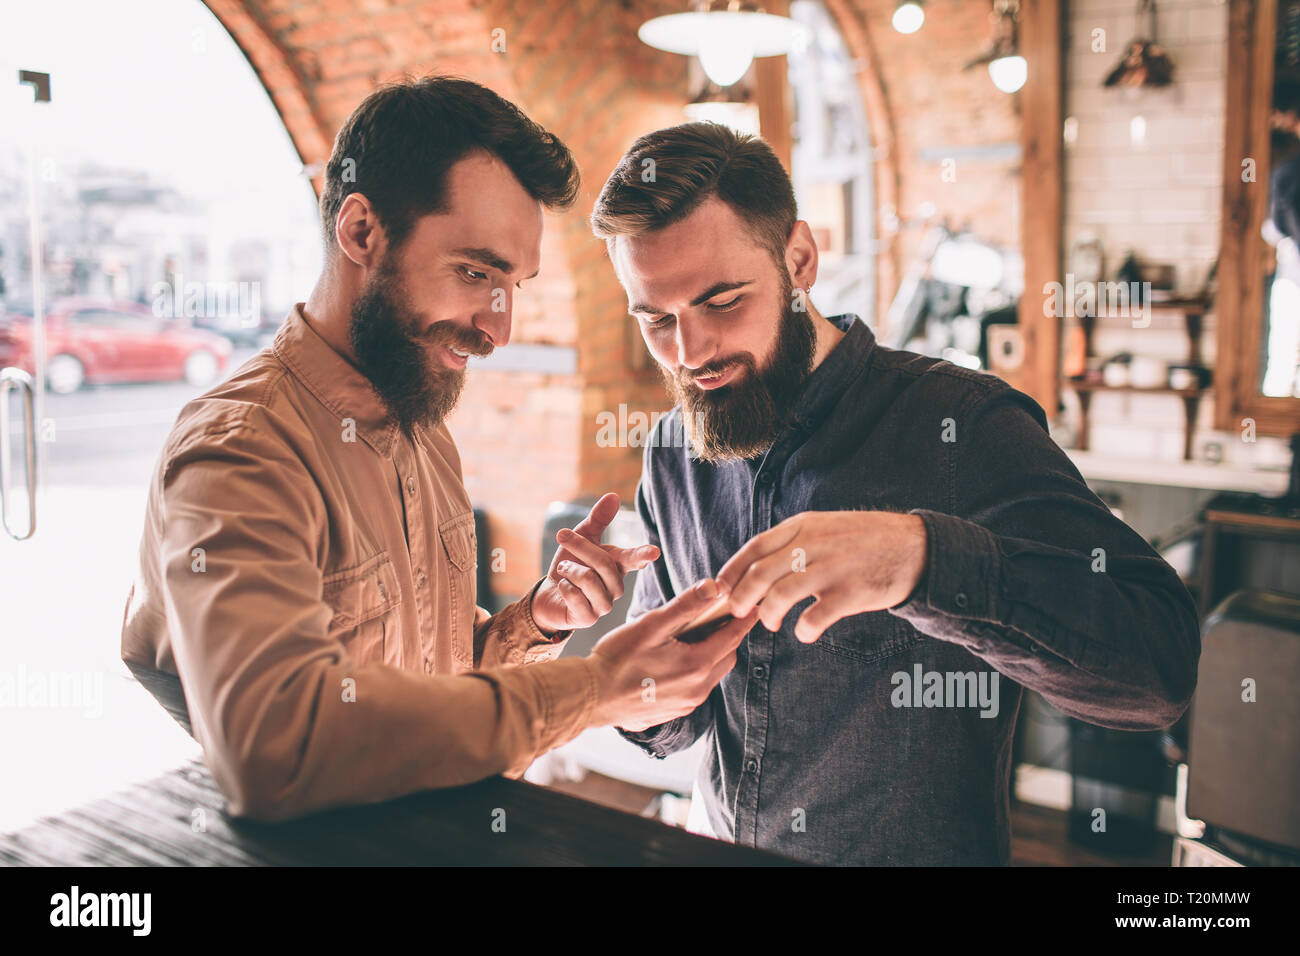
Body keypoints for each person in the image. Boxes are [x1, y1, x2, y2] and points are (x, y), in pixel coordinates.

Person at [120, 78, 755, 822]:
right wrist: (598, 687)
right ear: (360, 232)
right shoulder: (241, 453)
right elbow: (276, 747)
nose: (498, 328)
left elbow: (438, 688)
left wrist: (537, 623)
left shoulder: (424, 434)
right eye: (476, 273)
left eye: (513, 284)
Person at [590, 121, 1201, 865]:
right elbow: (674, 727)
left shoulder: (963, 426)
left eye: (721, 301)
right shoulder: (673, 452)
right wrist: (635, 688)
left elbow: (1159, 671)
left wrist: (922, 561)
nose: (689, 355)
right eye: (656, 319)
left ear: (800, 259)